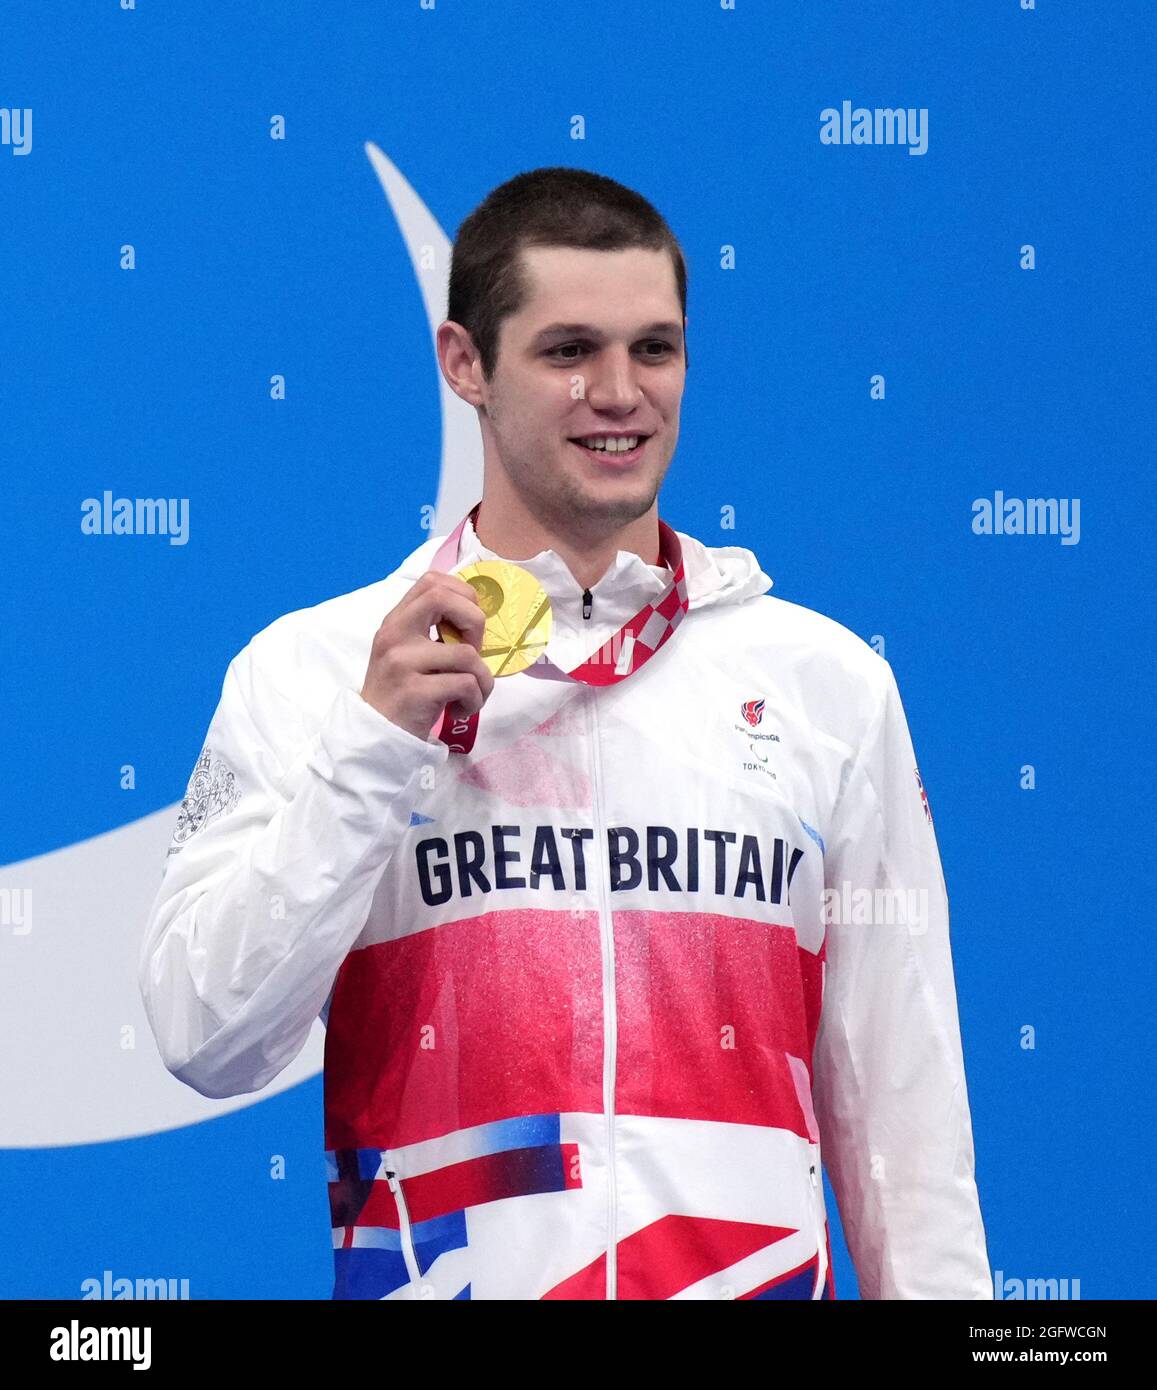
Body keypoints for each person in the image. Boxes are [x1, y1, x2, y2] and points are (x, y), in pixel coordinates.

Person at [138, 166, 993, 1301]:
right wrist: (369, 752)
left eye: (654, 349)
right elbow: (206, 1033)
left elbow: (904, 1104)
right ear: (463, 365)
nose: (619, 392)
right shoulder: (315, 672)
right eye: (566, 350)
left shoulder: (826, 683)